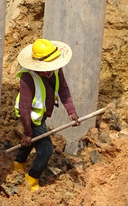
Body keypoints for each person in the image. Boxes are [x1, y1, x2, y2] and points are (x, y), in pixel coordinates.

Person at [13, 38, 80, 190]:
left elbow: (63, 89)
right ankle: (32, 180)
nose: (49, 69)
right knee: (46, 150)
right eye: (46, 66)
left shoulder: (55, 69)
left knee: (32, 141)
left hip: (41, 114)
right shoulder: (27, 78)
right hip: (30, 117)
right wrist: (27, 131)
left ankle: (18, 163)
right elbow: (24, 108)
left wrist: (71, 111)